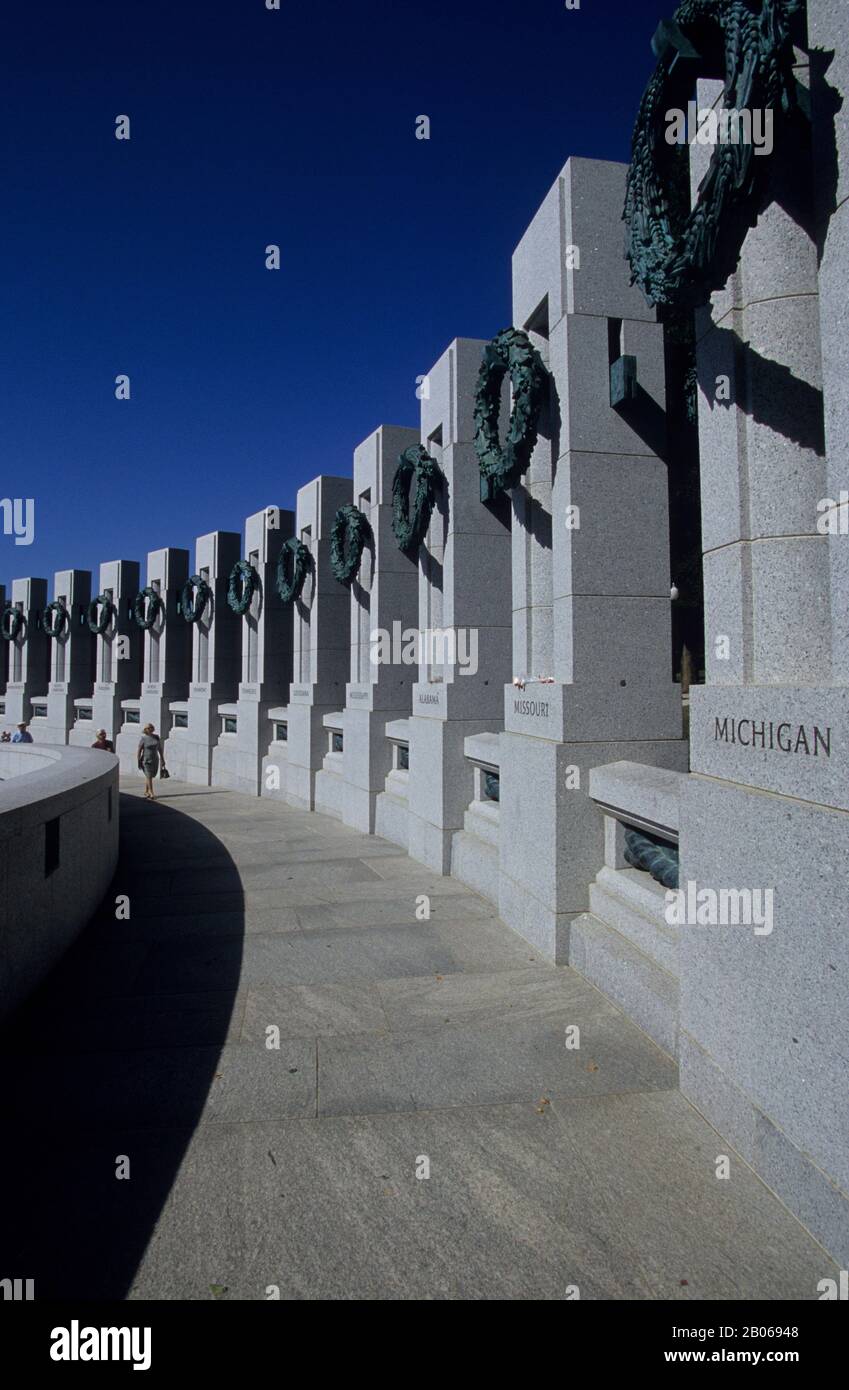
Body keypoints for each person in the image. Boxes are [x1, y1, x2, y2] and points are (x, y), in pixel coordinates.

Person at [137, 723, 166, 800]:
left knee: (150, 776)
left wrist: (162, 759)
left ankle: (146, 791)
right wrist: (138, 760)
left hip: (155, 759)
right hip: (146, 760)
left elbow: (160, 748)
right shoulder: (143, 738)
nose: (150, 729)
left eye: (151, 727)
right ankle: (151, 792)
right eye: (149, 728)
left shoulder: (156, 737)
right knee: (149, 776)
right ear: (146, 729)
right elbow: (139, 750)